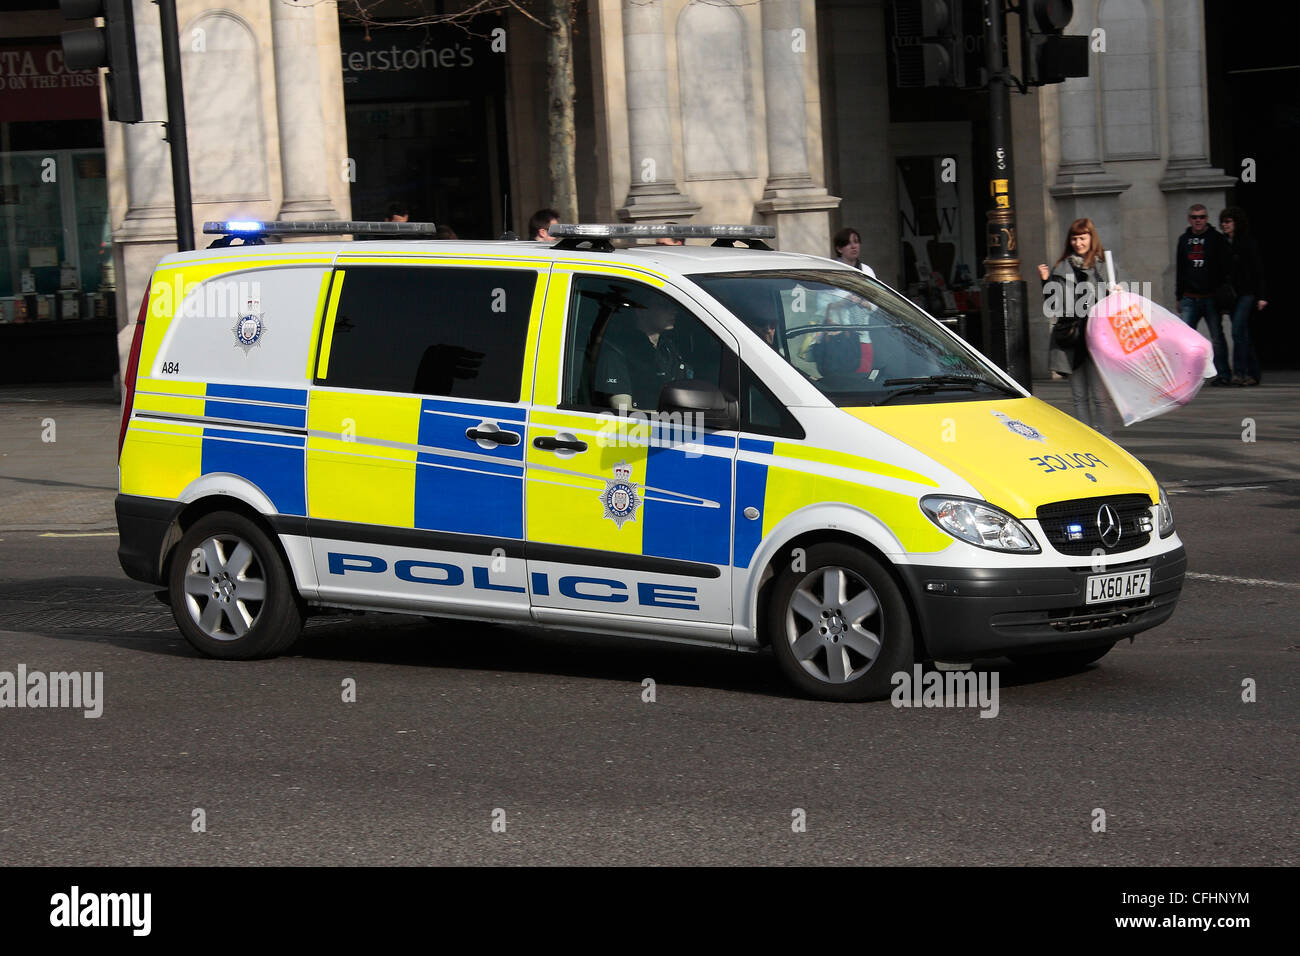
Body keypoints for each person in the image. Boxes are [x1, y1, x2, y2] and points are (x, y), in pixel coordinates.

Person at [1037, 218, 1114, 436]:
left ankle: (1108, 442)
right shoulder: (1062, 267)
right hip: (1072, 338)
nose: (1078, 242)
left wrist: (1116, 291)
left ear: (1091, 238)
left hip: (1098, 338)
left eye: (1082, 238)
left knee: (1101, 397)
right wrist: (1046, 281)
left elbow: (1119, 299)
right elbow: (1054, 307)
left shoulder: (1103, 266)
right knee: (1079, 396)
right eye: (1074, 238)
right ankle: (1090, 441)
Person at [593, 299, 692, 411]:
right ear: (641, 311)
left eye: (672, 306)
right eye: (663, 305)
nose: (674, 310)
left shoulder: (668, 348)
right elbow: (623, 411)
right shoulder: (617, 352)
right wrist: (672, 419)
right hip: (637, 427)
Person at [1175, 203, 1233, 386]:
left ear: (1206, 219)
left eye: (1201, 217)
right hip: (1189, 297)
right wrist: (1179, 295)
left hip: (1211, 297)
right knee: (1184, 341)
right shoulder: (1184, 239)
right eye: (1194, 217)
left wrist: (1223, 297)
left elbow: (1225, 268)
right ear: (1189, 219)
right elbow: (1181, 268)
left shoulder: (1216, 239)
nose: (1198, 220)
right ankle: (1186, 377)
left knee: (1217, 338)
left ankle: (1223, 374)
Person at [1218, 207, 1268, 386]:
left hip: (1246, 293)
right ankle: (1253, 373)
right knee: (1243, 335)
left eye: (1228, 222)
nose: (1225, 225)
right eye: (1223, 222)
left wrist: (1262, 296)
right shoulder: (1223, 244)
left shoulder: (1247, 242)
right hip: (1231, 295)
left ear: (1236, 223)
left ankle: (1240, 372)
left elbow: (1258, 271)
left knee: (1237, 331)